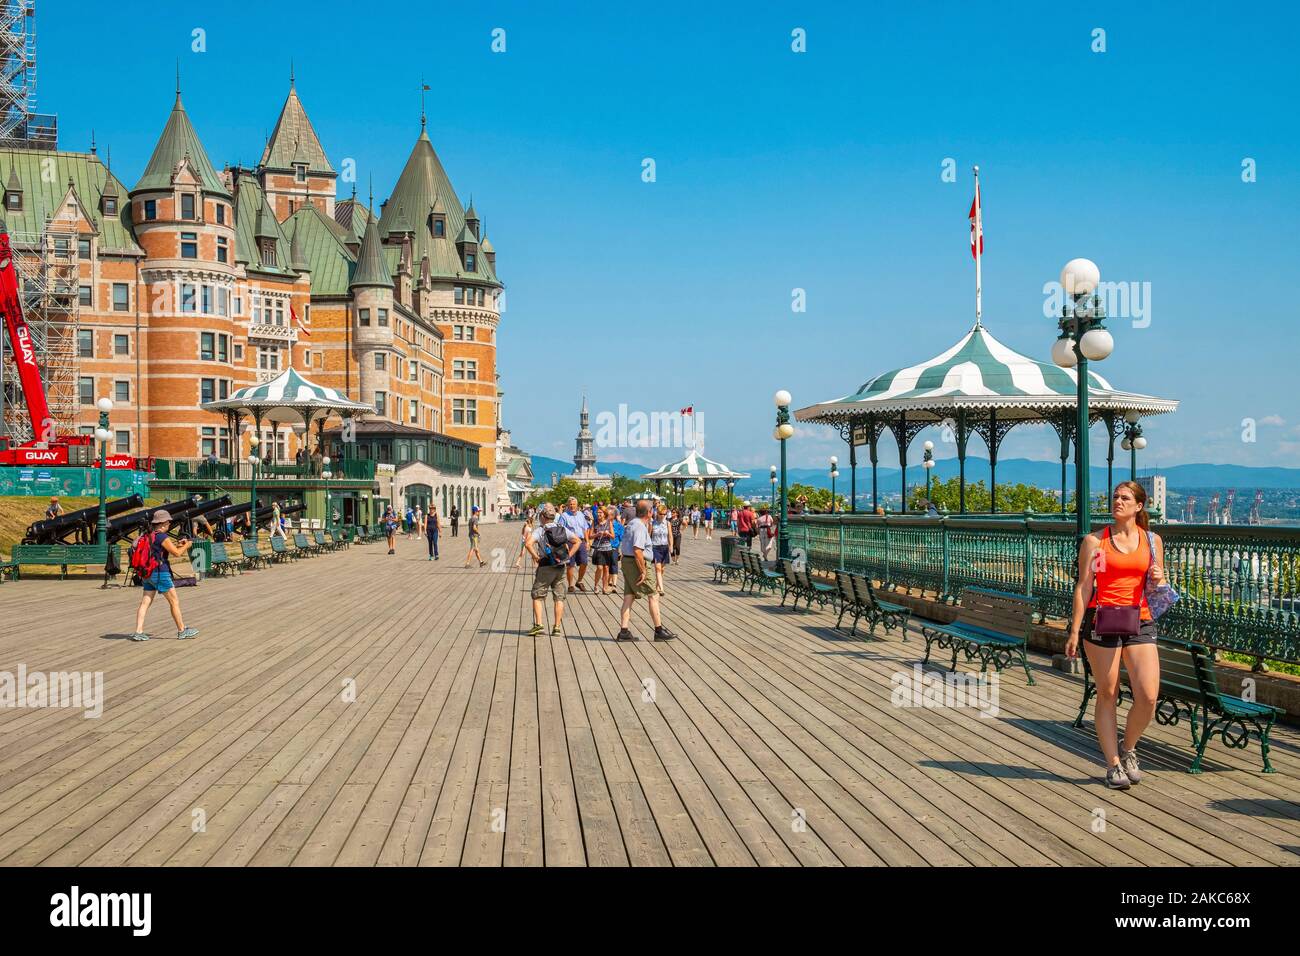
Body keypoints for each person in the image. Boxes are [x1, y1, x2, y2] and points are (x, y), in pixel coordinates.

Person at [1066, 481, 1164, 791]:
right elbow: (1084, 587)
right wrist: (1073, 630)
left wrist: (1160, 577)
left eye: (1125, 498)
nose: (1118, 502)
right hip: (1102, 620)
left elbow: (1159, 583)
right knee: (1107, 692)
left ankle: (1129, 747)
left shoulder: (1152, 540)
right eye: (1115, 497)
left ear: (1138, 506)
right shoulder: (1095, 542)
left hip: (1141, 620)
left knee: (1148, 695)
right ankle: (1112, 764)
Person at [130, 510, 199, 641]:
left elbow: (161, 549)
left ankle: (138, 631)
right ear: (163, 523)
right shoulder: (162, 536)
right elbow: (177, 554)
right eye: (168, 522)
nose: (169, 524)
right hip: (160, 573)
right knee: (174, 602)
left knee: (145, 602)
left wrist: (179, 545)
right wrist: (188, 545)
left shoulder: (148, 534)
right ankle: (182, 630)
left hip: (147, 574)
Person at [616, 501, 676, 642]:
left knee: (629, 596)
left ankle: (624, 631)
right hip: (637, 563)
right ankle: (659, 630)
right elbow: (638, 550)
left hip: (627, 562)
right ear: (649, 512)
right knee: (653, 595)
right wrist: (643, 570)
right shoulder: (639, 527)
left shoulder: (632, 523)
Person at [524, 503, 582, 637]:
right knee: (559, 597)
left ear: (543, 517)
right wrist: (569, 556)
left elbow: (528, 544)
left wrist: (536, 556)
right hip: (561, 566)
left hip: (545, 566)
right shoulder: (562, 528)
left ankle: (538, 625)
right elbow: (578, 541)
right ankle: (556, 627)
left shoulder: (541, 530)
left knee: (538, 596)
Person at [558, 497, 592, 592]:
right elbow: (560, 530)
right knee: (570, 564)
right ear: (568, 505)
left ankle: (579, 581)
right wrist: (564, 544)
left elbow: (585, 529)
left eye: (574, 504)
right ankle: (570, 585)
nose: (572, 506)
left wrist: (587, 541)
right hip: (570, 542)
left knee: (584, 562)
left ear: (577, 505)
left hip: (581, 541)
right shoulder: (564, 516)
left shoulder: (581, 515)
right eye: (570, 504)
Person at [591, 505, 618, 594]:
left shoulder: (608, 522)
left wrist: (608, 534)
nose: (598, 514)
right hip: (599, 548)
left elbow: (613, 536)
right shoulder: (594, 522)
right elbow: (590, 536)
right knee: (599, 568)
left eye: (600, 512)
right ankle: (595, 585)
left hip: (608, 548)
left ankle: (604, 587)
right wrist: (597, 534)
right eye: (597, 512)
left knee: (606, 568)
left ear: (604, 513)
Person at [650, 502, 672, 595]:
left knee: (662, 569)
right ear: (657, 513)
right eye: (661, 514)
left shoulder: (667, 523)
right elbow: (648, 535)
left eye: (664, 514)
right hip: (655, 547)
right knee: (658, 568)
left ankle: (657, 585)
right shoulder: (652, 523)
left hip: (665, 547)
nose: (663, 515)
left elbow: (670, 536)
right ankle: (662, 589)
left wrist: (671, 546)